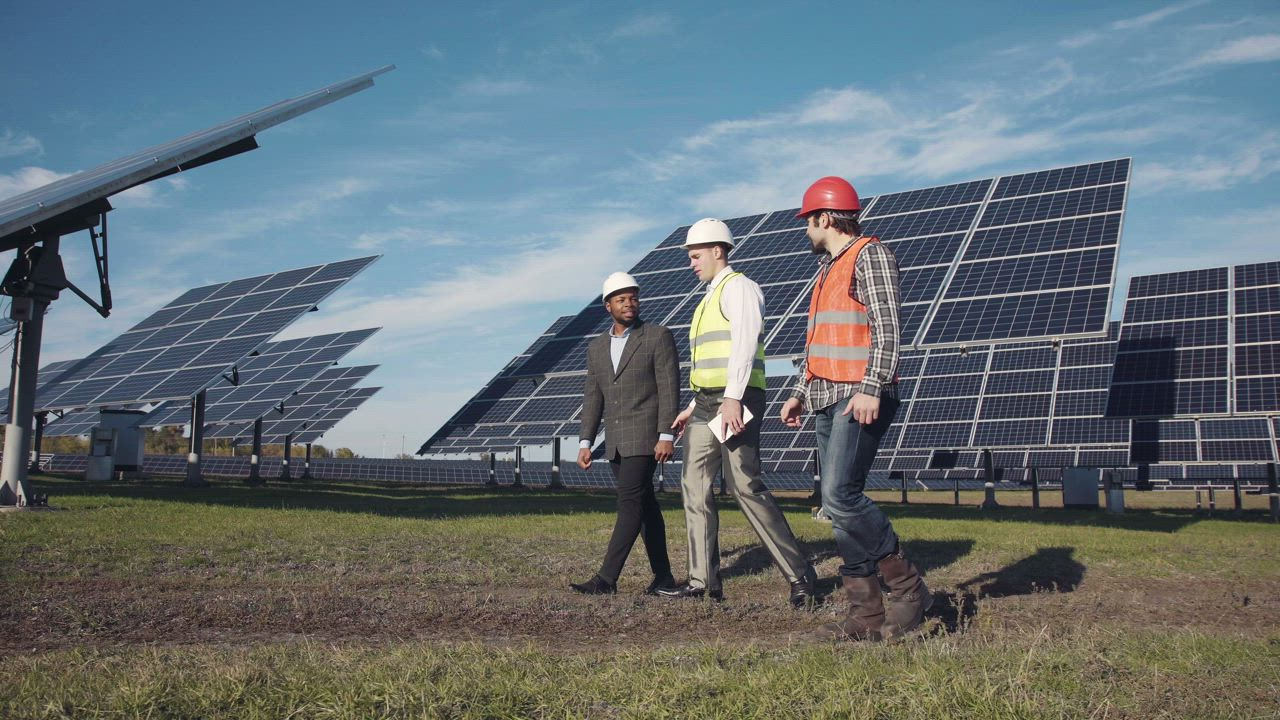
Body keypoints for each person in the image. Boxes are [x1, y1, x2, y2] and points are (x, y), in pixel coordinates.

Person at [779, 177, 931, 641]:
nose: (805, 230)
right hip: (826, 397)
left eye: (808, 221)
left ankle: (908, 587)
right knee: (835, 503)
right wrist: (802, 391)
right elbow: (821, 340)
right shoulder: (827, 269)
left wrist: (872, 385)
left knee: (842, 497)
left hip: (859, 394)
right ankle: (865, 613)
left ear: (825, 218)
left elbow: (888, 327)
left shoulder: (871, 254)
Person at [660, 218, 817, 607]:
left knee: (745, 485)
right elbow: (713, 361)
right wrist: (693, 406)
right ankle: (703, 583)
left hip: (739, 400)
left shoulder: (741, 288)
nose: (691, 264)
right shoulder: (706, 299)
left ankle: (801, 576)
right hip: (707, 403)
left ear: (718, 251)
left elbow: (745, 346)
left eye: (696, 256)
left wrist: (732, 399)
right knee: (693, 485)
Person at [570, 271, 681, 596]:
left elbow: (668, 388)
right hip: (616, 441)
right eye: (621, 299)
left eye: (633, 297)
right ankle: (663, 577)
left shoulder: (657, 336)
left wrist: (666, 434)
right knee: (645, 505)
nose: (629, 304)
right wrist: (586, 441)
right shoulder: (596, 348)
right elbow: (593, 396)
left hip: (646, 436)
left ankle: (606, 579)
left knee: (629, 502)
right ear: (608, 306)